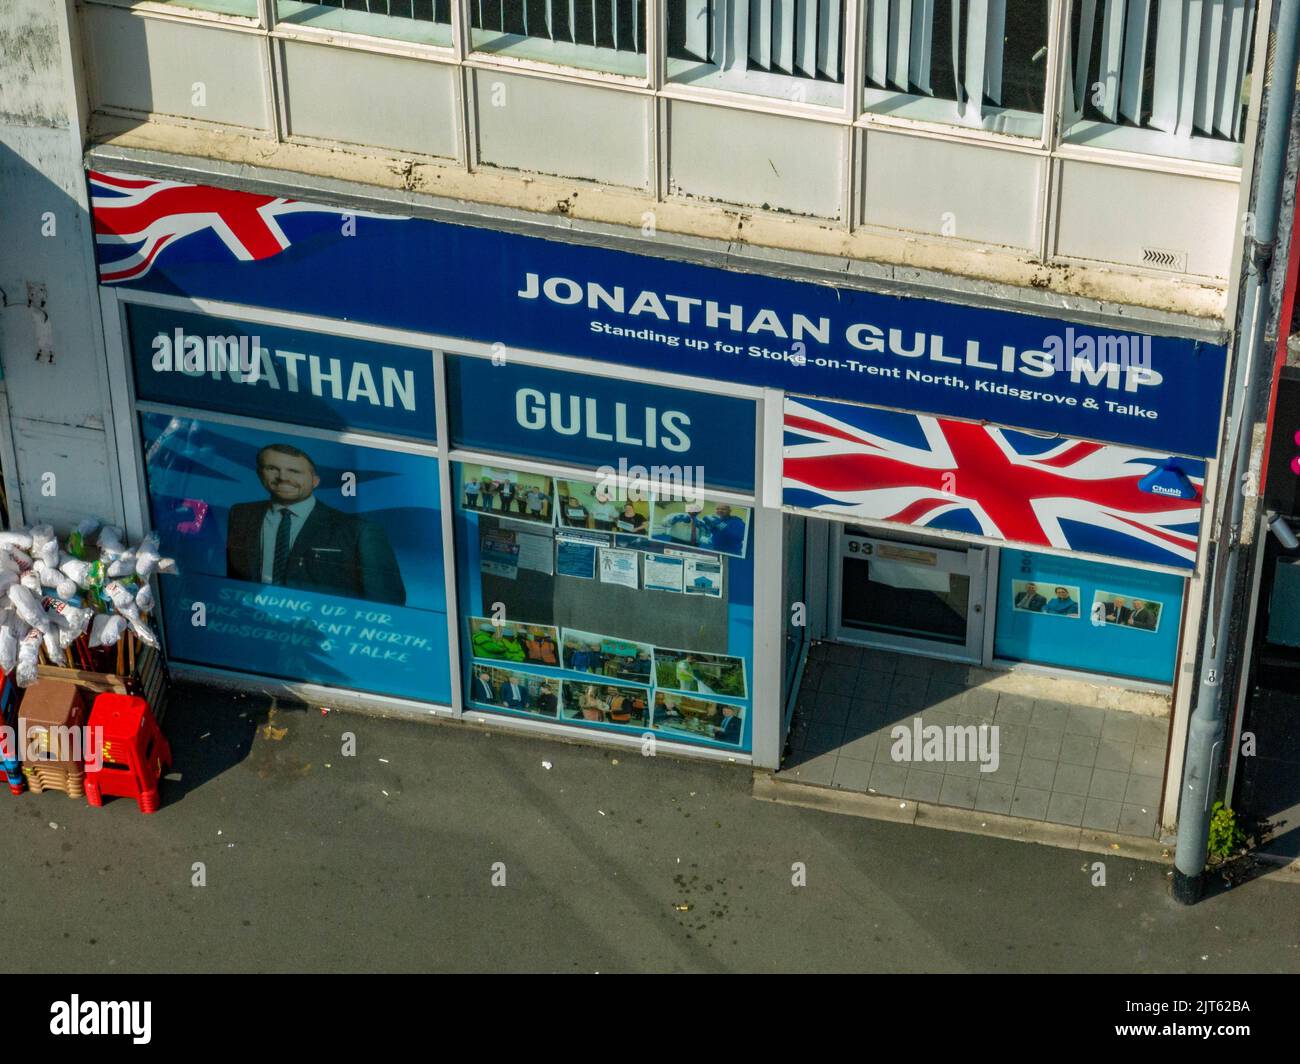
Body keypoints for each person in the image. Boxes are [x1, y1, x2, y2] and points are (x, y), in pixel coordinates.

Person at [226, 443, 405, 605]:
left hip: (322, 633)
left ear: (315, 481)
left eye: (294, 471)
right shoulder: (241, 515)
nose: (283, 477)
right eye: (272, 468)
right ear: (260, 474)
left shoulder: (359, 530)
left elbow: (387, 602)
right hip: (254, 626)